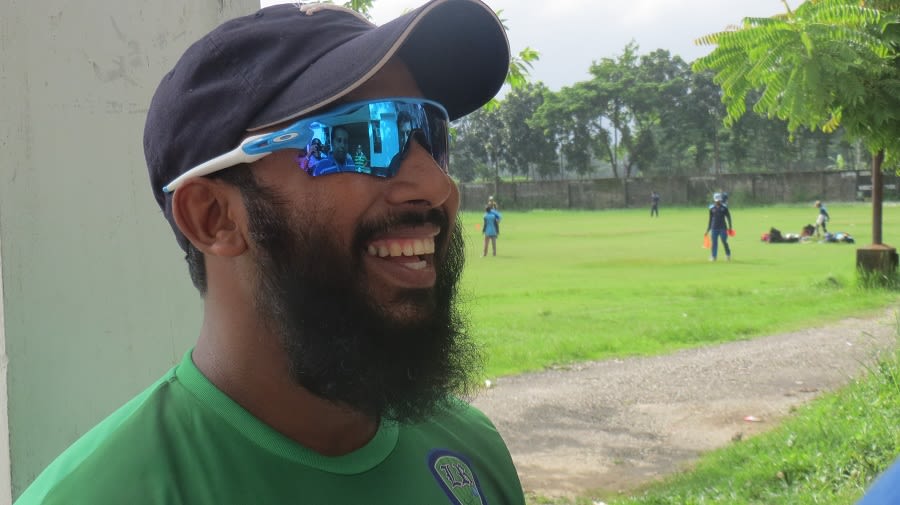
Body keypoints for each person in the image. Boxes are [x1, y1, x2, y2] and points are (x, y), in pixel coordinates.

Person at [16, 2, 524, 504]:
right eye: (361, 136)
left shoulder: (471, 453)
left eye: (428, 135)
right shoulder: (101, 493)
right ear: (213, 217)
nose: (438, 186)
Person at [705, 193, 733, 261]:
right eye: (717, 200)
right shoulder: (711, 208)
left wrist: (730, 227)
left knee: (724, 241)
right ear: (714, 200)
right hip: (714, 227)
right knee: (714, 243)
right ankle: (714, 256)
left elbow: (728, 217)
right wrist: (708, 229)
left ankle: (728, 254)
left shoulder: (724, 207)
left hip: (723, 227)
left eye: (719, 200)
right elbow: (710, 219)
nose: (718, 202)